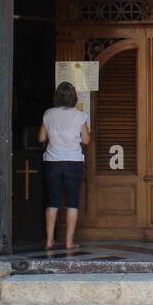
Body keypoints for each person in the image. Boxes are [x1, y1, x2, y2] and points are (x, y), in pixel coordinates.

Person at [37, 81, 90, 251]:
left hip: (52, 162)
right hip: (73, 162)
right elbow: (86, 140)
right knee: (72, 203)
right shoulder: (80, 115)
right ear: (74, 98)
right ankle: (69, 242)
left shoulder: (48, 114)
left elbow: (41, 138)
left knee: (52, 202)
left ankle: (49, 240)